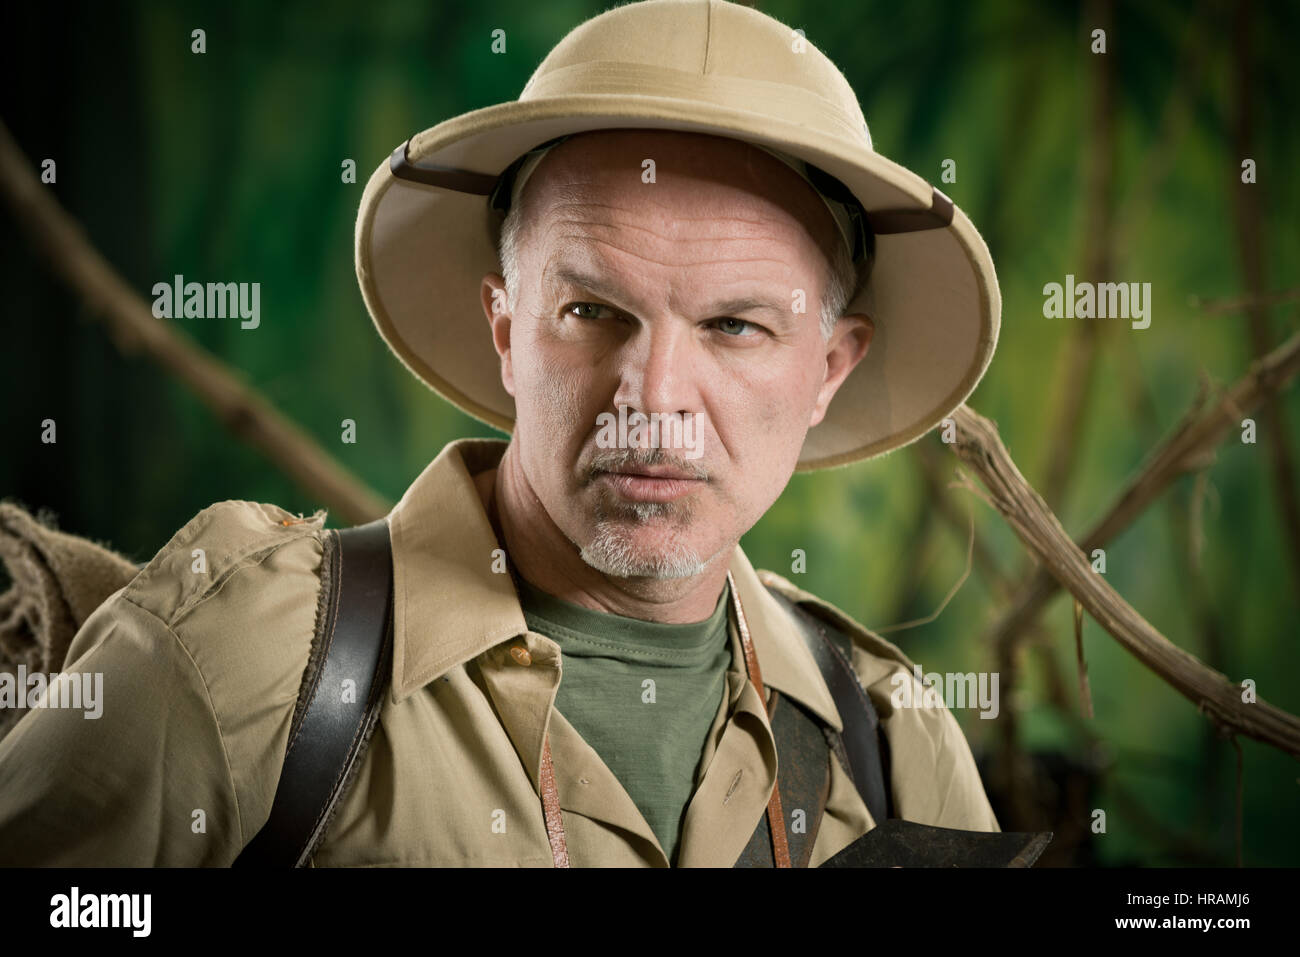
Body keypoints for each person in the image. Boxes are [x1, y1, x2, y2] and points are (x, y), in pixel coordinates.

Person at [0, 0, 1002, 866]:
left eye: (734, 326)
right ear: (505, 332)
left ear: (829, 368)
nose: (652, 395)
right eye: (591, 313)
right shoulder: (248, 661)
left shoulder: (890, 738)